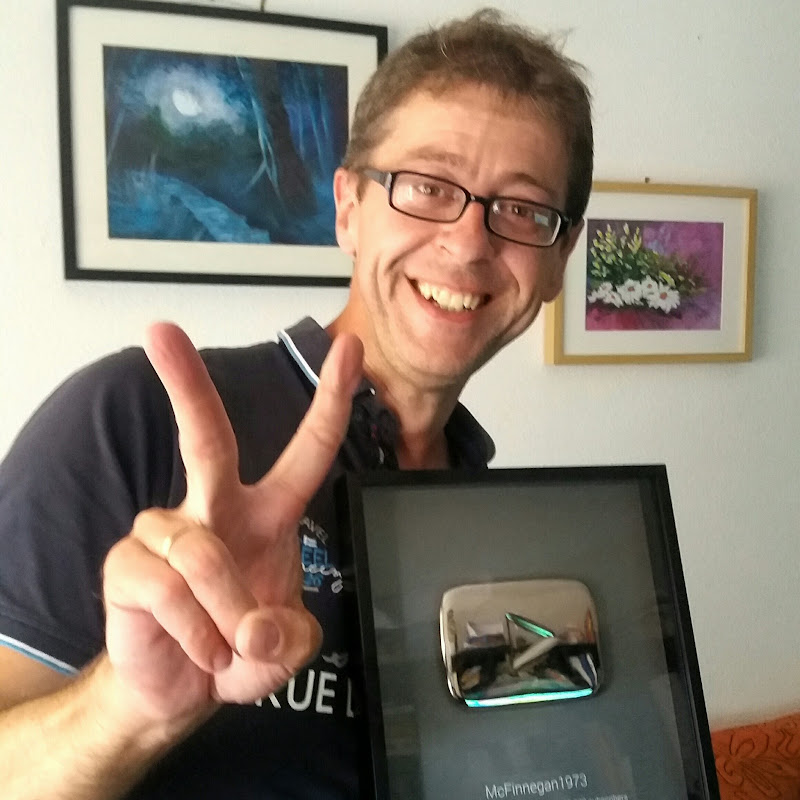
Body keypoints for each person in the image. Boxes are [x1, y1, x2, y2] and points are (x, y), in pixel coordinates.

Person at [0, 8, 592, 798]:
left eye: (521, 209)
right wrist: (131, 710)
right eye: (426, 186)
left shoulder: (491, 506)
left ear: (558, 259)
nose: (469, 243)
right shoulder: (132, 418)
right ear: (348, 208)